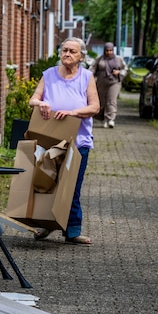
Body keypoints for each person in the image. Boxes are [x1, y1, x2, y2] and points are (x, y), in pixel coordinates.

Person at [28, 37, 100, 245]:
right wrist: (40, 103)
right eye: (64, 50)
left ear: (81, 57)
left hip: (79, 142)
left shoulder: (86, 77)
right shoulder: (49, 75)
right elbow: (33, 99)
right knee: (47, 184)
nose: (67, 54)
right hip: (49, 139)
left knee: (71, 188)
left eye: (72, 51)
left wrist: (74, 112)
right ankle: (46, 225)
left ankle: (72, 232)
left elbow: (95, 107)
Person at [91, 42, 126, 128]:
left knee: (111, 100)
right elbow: (93, 68)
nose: (109, 52)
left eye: (110, 50)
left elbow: (125, 69)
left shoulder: (118, 59)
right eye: (107, 51)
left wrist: (119, 72)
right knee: (102, 100)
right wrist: (89, 77)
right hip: (101, 82)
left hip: (114, 82)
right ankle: (103, 118)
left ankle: (110, 119)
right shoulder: (100, 59)